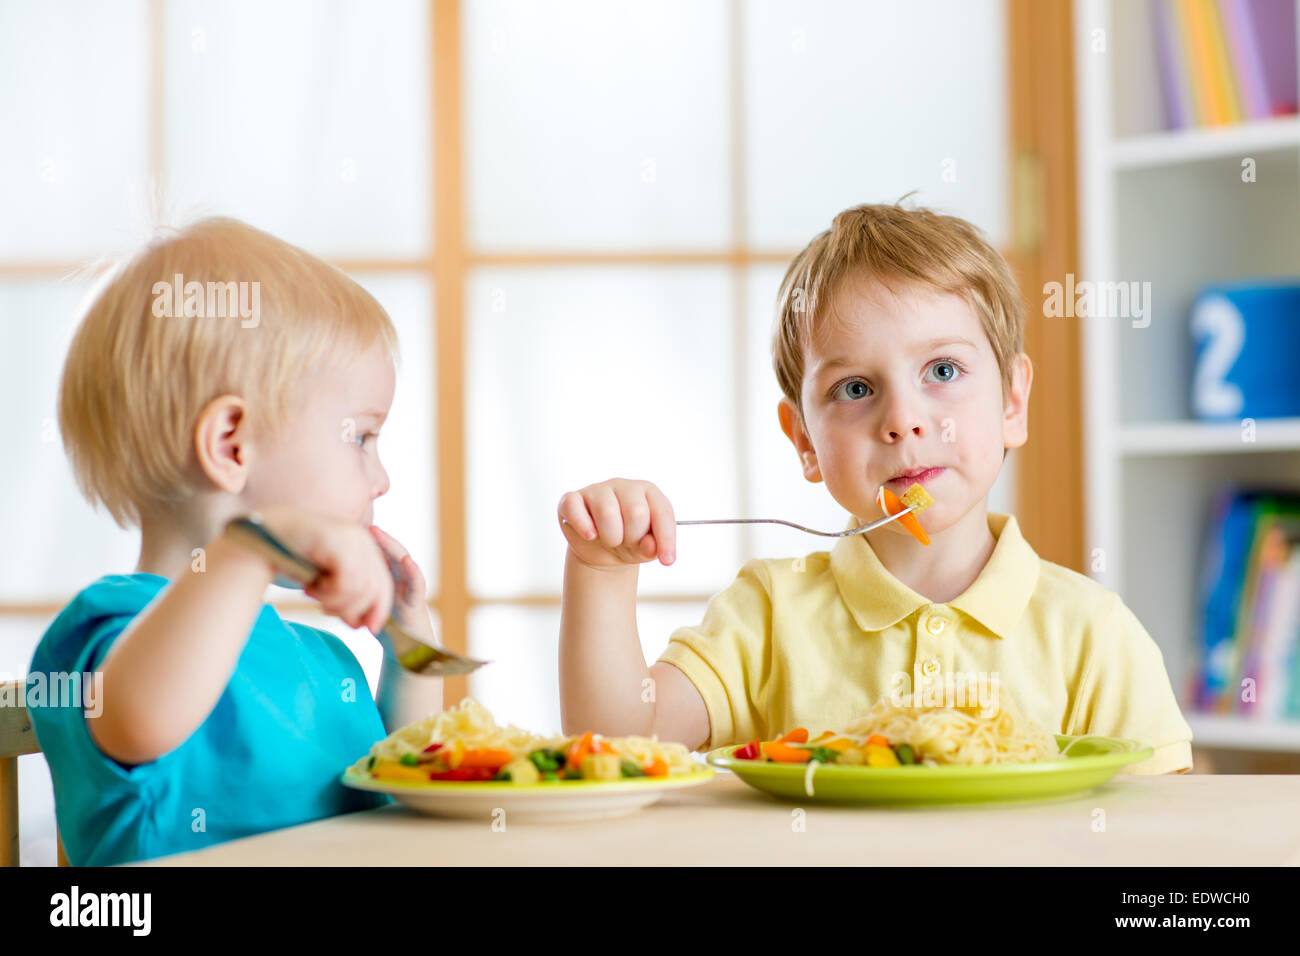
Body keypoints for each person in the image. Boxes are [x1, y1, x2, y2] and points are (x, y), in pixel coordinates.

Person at [556, 200, 1193, 775]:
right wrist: (603, 574)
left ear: (1013, 402)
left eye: (943, 370)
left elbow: (1165, 836)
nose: (902, 421)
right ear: (803, 438)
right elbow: (617, 745)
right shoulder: (767, 616)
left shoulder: (1092, 635)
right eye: (856, 389)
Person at [28, 217, 441, 865]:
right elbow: (139, 719)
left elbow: (413, 780)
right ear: (231, 445)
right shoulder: (106, 636)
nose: (382, 478)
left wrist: (409, 641)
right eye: (360, 437)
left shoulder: (323, 660)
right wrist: (251, 547)